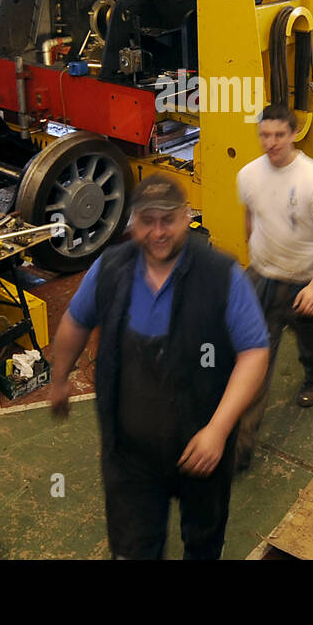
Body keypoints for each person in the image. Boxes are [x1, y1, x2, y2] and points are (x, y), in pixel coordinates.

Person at [48, 174, 269, 559]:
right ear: (132, 222)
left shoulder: (221, 274)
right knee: (134, 549)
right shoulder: (110, 269)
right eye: (147, 221)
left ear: (186, 217)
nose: (158, 231)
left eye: (168, 219)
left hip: (203, 449)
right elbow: (76, 320)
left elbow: (254, 353)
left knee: (203, 541)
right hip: (130, 454)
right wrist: (59, 378)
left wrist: (218, 430)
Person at [233, 103, 313, 471]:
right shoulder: (249, 175)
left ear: (294, 134)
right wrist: (256, 259)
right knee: (254, 363)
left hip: (304, 282)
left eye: (279, 135)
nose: (271, 143)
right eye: (265, 135)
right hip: (262, 279)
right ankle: (239, 449)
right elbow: (252, 217)